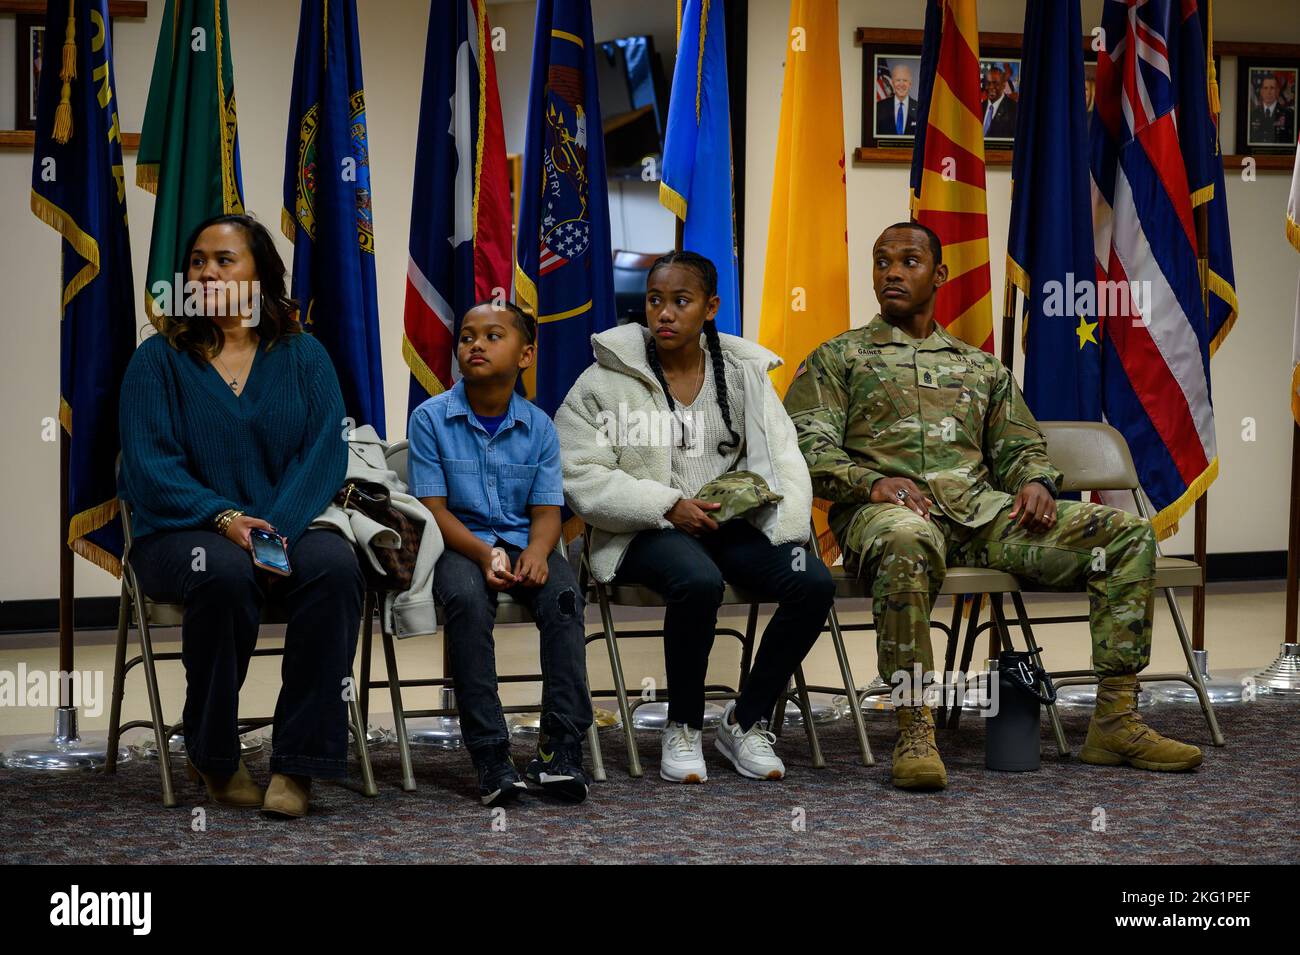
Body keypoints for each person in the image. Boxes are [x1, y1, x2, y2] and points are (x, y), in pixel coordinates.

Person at [783, 222, 1203, 791]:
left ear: (940, 275)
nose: (891, 273)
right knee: (908, 539)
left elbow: (1022, 446)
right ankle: (914, 724)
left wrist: (1034, 480)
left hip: (981, 515)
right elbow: (806, 450)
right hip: (888, 515)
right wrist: (870, 483)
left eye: (908, 261)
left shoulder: (978, 367)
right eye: (882, 262)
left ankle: (1115, 719)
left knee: (1123, 534)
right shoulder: (839, 358)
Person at [556, 251, 833, 784]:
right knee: (698, 580)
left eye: (681, 302)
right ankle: (682, 726)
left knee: (811, 582)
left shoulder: (743, 373)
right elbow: (581, 475)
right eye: (655, 301)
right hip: (643, 527)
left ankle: (743, 721)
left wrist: (780, 524)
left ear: (710, 307)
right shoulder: (603, 381)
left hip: (728, 524)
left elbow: (782, 457)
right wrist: (665, 504)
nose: (664, 313)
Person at [119, 213, 360, 819]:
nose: (206, 270)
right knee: (221, 572)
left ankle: (299, 762)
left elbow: (325, 451)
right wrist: (226, 519)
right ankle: (215, 754)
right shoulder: (159, 361)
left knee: (333, 566)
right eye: (198, 260)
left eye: (225, 259)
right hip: (181, 533)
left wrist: (272, 529)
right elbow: (151, 468)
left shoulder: (304, 355)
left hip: (285, 523)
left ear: (262, 276)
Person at [408, 301, 593, 806]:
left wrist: (537, 551)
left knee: (563, 600)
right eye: (467, 336)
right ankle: (492, 755)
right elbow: (432, 509)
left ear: (526, 354)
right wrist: (485, 552)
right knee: (467, 603)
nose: (476, 344)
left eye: (493, 336)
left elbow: (548, 511)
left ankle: (559, 749)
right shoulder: (430, 418)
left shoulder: (539, 427)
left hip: (521, 538)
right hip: (457, 542)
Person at [875, 63, 919, 137]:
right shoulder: (879, 108)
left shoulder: (919, 109)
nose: (901, 84)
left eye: (905, 80)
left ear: (910, 84)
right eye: (898, 80)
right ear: (892, 83)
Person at [1249, 74, 1294, 144]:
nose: (1269, 92)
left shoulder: (1288, 114)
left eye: (1272, 88)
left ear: (1278, 91)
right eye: (1265, 88)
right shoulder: (1253, 114)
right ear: (1261, 91)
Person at [981, 67, 1017, 139]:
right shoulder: (979, 107)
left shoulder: (1014, 109)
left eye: (995, 83)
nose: (991, 87)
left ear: (1003, 85)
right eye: (988, 83)